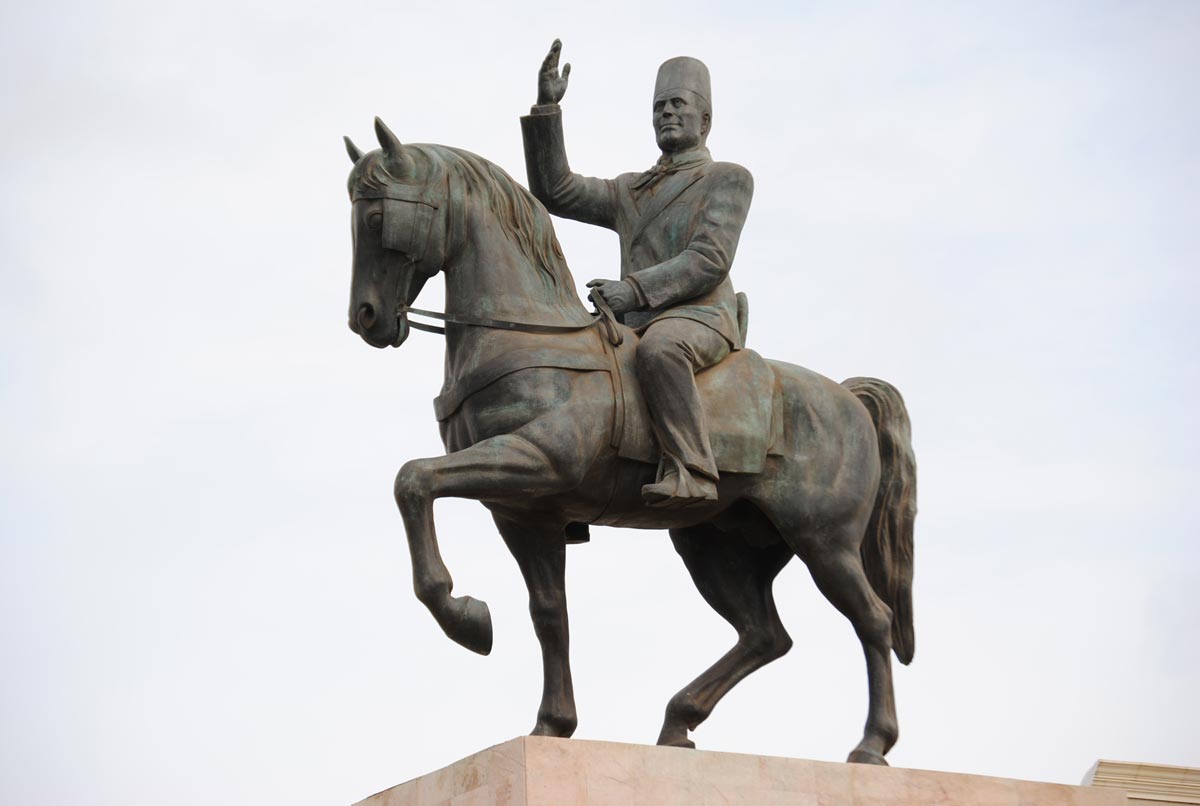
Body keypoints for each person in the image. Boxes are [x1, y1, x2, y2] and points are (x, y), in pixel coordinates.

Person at [521, 40, 754, 508]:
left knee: (662, 352)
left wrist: (633, 290)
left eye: (677, 105)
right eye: (658, 107)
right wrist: (548, 109)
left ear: (704, 121)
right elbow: (557, 190)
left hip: (700, 315)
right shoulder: (631, 189)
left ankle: (693, 469)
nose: (666, 114)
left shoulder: (727, 178)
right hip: (632, 323)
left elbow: (709, 258)